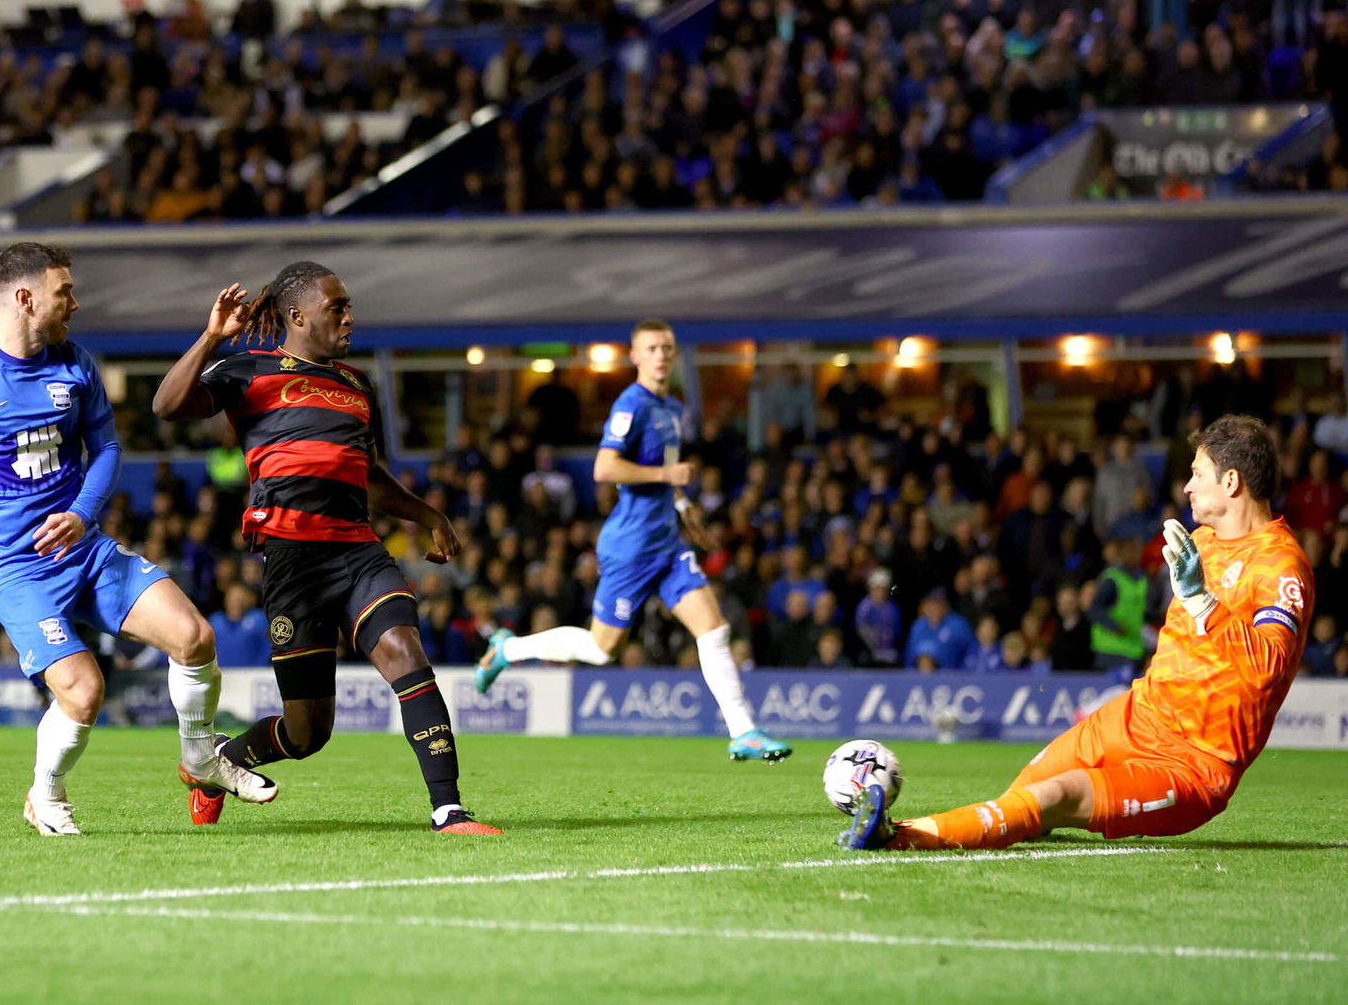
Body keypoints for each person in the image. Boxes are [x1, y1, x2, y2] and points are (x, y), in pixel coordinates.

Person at [0, 242, 274, 837]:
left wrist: (80, 512)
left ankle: (200, 758)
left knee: (195, 637)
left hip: (84, 549)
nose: (76, 301)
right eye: (63, 291)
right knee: (84, 688)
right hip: (14, 568)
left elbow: (108, 449)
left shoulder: (76, 365)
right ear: (25, 298)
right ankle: (44, 795)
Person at [841, 415, 1314, 851]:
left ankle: (896, 836)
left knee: (1054, 796)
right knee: (1024, 797)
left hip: (1191, 763)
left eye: (1198, 473)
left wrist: (1202, 602)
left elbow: (1267, 668)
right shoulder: (1205, 542)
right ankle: (906, 831)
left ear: (1231, 481)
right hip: (1135, 715)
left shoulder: (1279, 564)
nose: (1187, 486)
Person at [152, 262, 500, 834]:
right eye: (336, 307)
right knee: (307, 732)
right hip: (294, 560)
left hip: (359, 551)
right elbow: (167, 406)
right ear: (298, 315)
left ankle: (449, 809)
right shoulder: (247, 369)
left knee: (406, 652)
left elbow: (368, 473)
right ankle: (227, 759)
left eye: (347, 306)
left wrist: (428, 514)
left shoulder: (356, 385)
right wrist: (212, 337)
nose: (348, 317)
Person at [474, 320, 791, 762]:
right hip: (631, 548)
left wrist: (682, 506)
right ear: (636, 356)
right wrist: (666, 476)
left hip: (667, 544)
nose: (661, 354)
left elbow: (671, 467)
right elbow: (604, 468)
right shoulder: (631, 405)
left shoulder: (672, 409)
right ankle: (509, 648)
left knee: (714, 629)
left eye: (667, 347)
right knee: (601, 650)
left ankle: (744, 732)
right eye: (652, 348)